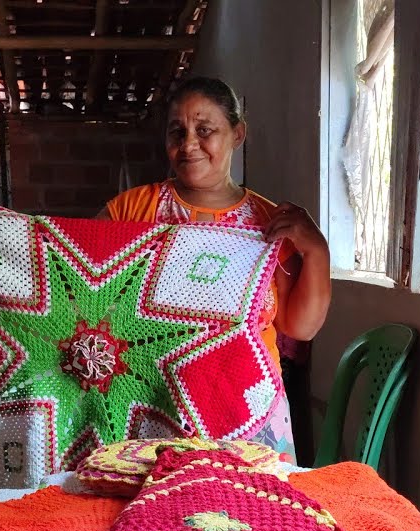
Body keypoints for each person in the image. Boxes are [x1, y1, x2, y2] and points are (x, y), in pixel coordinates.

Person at [100, 76, 331, 460]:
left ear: (237, 134)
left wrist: (317, 250)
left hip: (249, 411)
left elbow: (299, 326)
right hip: (153, 403)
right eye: (177, 131)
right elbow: (80, 285)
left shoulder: (269, 222)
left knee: (250, 497)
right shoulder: (130, 211)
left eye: (204, 130)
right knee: (161, 497)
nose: (189, 144)